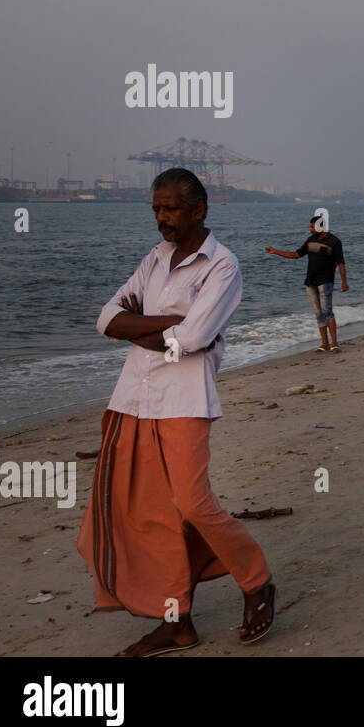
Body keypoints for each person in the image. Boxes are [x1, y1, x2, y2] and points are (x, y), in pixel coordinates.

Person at [77, 168, 275, 656]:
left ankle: (257, 581)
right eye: (156, 210)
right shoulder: (156, 258)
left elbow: (193, 340)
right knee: (153, 515)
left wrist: (143, 327)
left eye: (168, 209)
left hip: (185, 402)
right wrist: (166, 323)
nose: (161, 219)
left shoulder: (222, 267)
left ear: (198, 210)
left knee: (192, 504)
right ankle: (177, 621)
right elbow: (106, 317)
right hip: (133, 399)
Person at [265, 216, 348, 353]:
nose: (310, 229)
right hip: (311, 282)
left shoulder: (334, 242)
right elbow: (296, 254)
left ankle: (334, 343)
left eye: (312, 227)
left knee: (327, 312)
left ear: (321, 227)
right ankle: (324, 344)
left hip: (326, 281)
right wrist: (275, 252)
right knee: (318, 313)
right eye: (310, 227)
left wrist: (344, 281)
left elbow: (340, 263)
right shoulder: (310, 240)